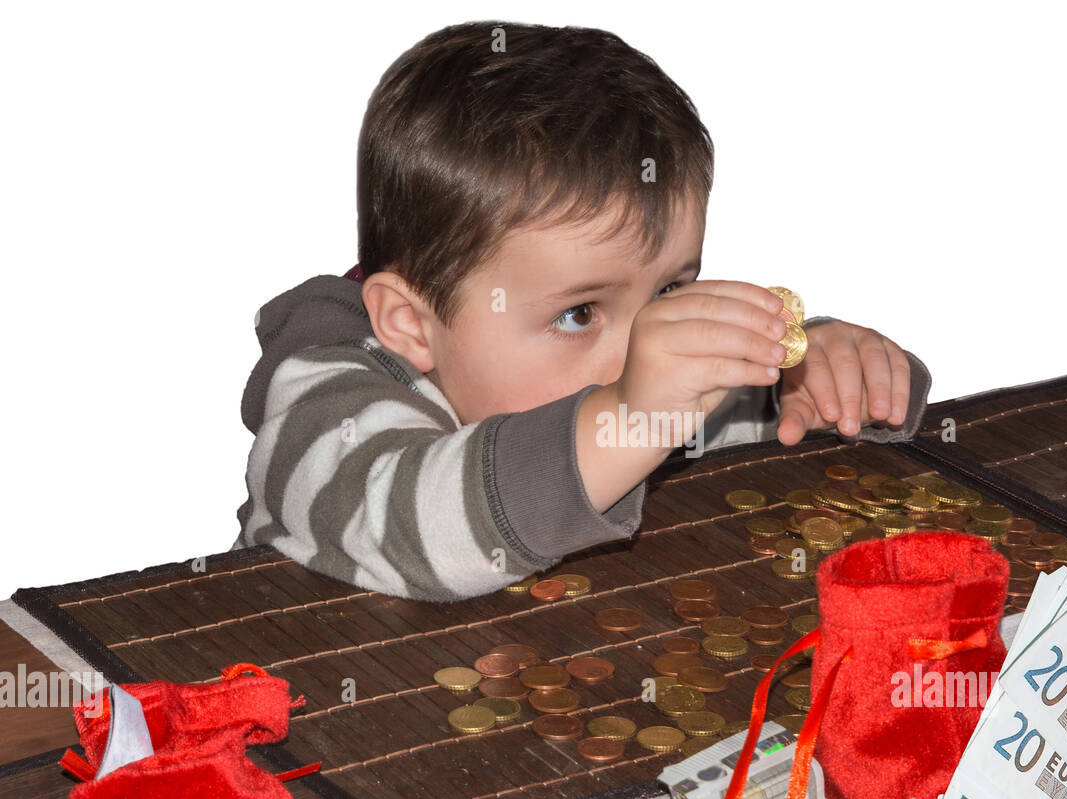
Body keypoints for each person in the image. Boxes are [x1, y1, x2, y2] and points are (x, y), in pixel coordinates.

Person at [234, 21, 932, 603]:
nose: (643, 351)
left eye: (666, 293)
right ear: (411, 325)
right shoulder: (323, 409)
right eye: (578, 314)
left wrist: (824, 373)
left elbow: (802, 430)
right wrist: (632, 414)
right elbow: (424, 530)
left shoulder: (635, 387)